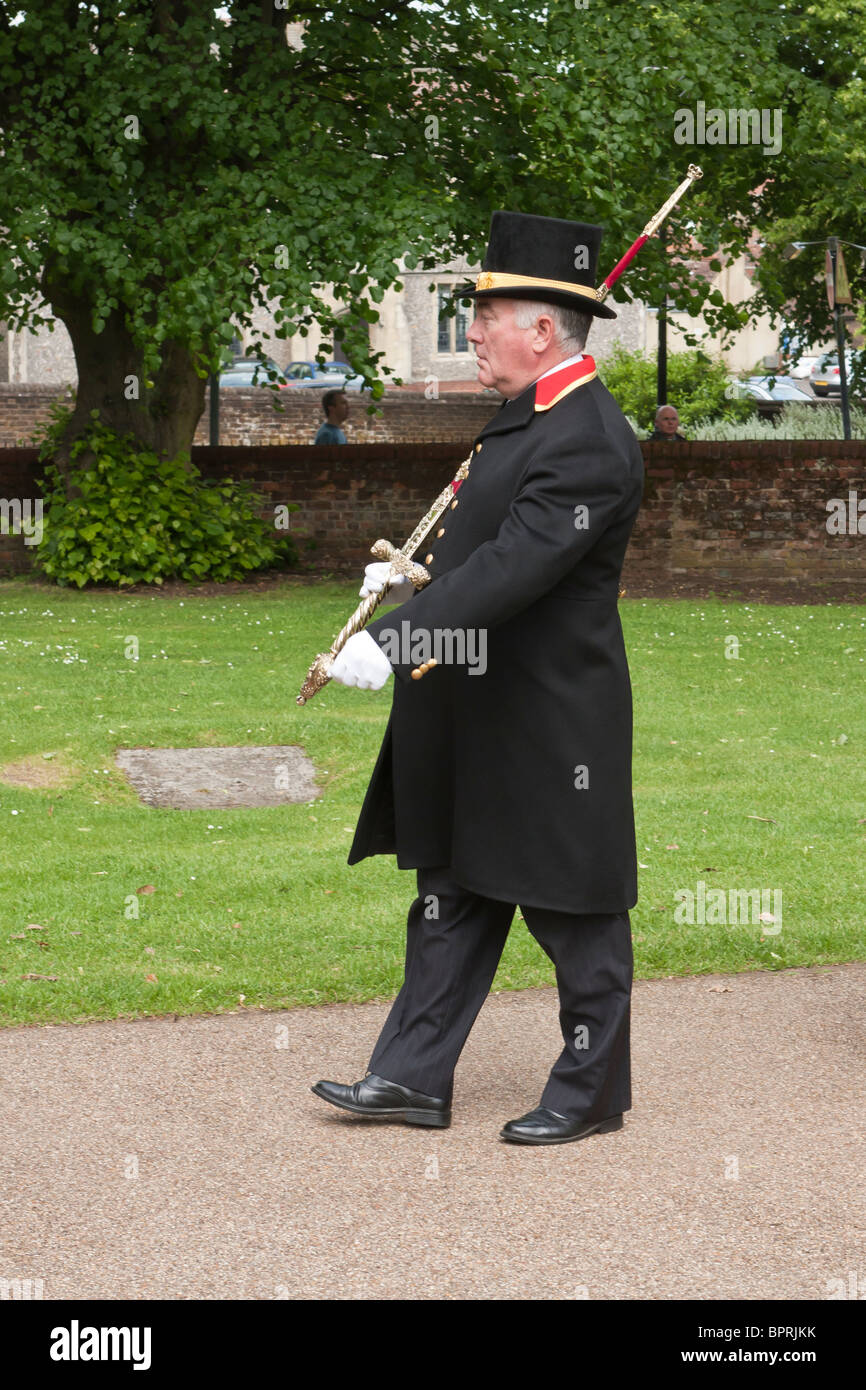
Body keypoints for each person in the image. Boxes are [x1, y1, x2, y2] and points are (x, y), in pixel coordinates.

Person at [311, 210, 644, 1145]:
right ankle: (412, 1077)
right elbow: (492, 547)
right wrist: (418, 577)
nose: (473, 333)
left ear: (541, 329)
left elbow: (521, 567)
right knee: (451, 890)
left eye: (486, 315)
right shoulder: (531, 417)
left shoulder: (589, 436)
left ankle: (592, 1091)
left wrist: (397, 636)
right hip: (477, 701)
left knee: (571, 909)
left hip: (546, 718)